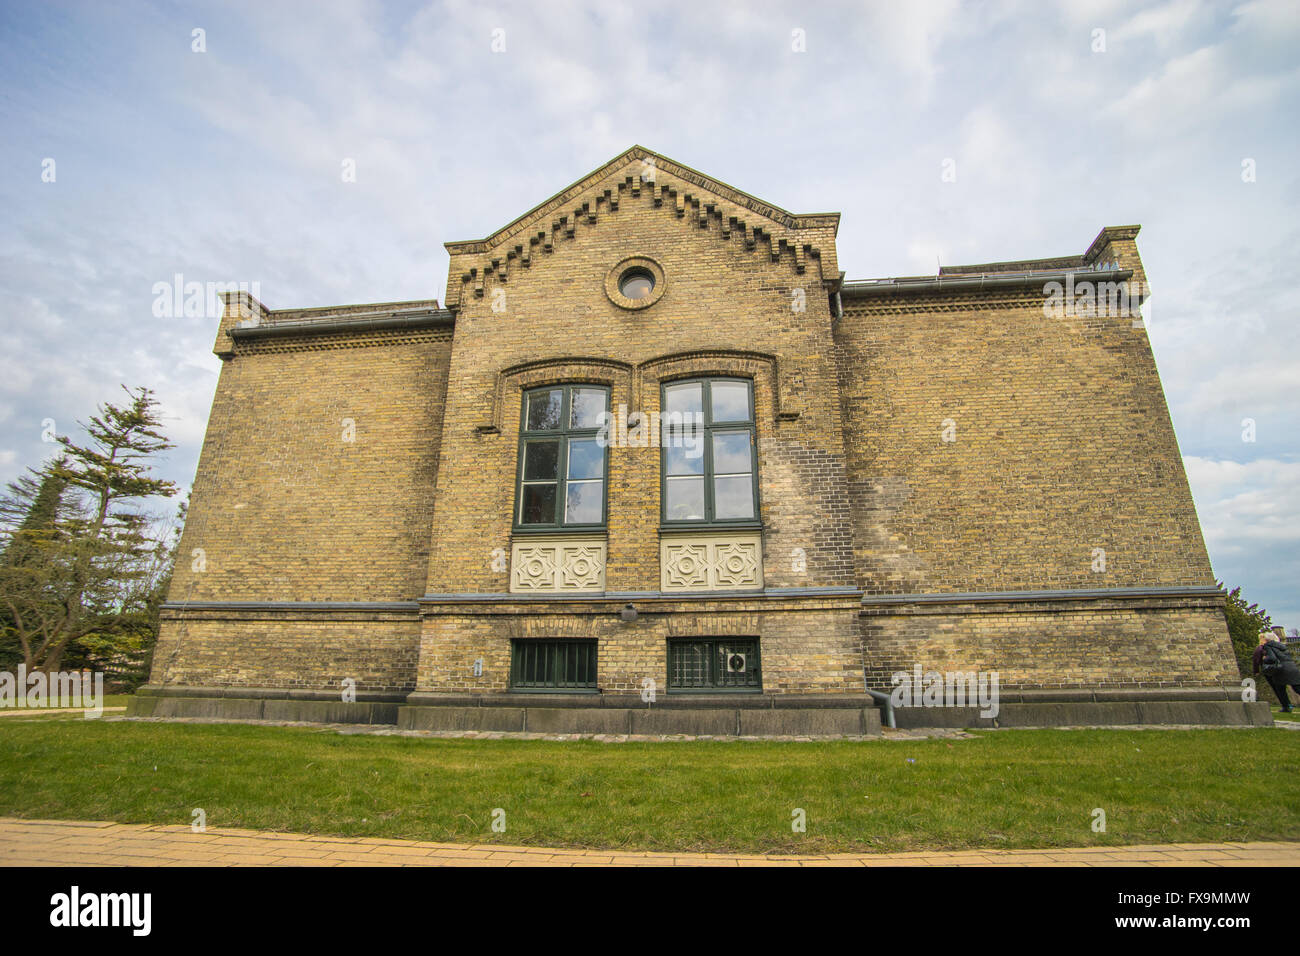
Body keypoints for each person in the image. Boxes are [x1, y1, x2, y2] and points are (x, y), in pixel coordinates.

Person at [1252, 630, 1300, 713]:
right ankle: (1287, 706)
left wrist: (1265, 659)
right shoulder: (1282, 646)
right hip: (1291, 668)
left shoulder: (1267, 646)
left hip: (1280, 670)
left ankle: (1286, 706)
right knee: (1297, 688)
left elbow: (1272, 658)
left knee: (1280, 689)